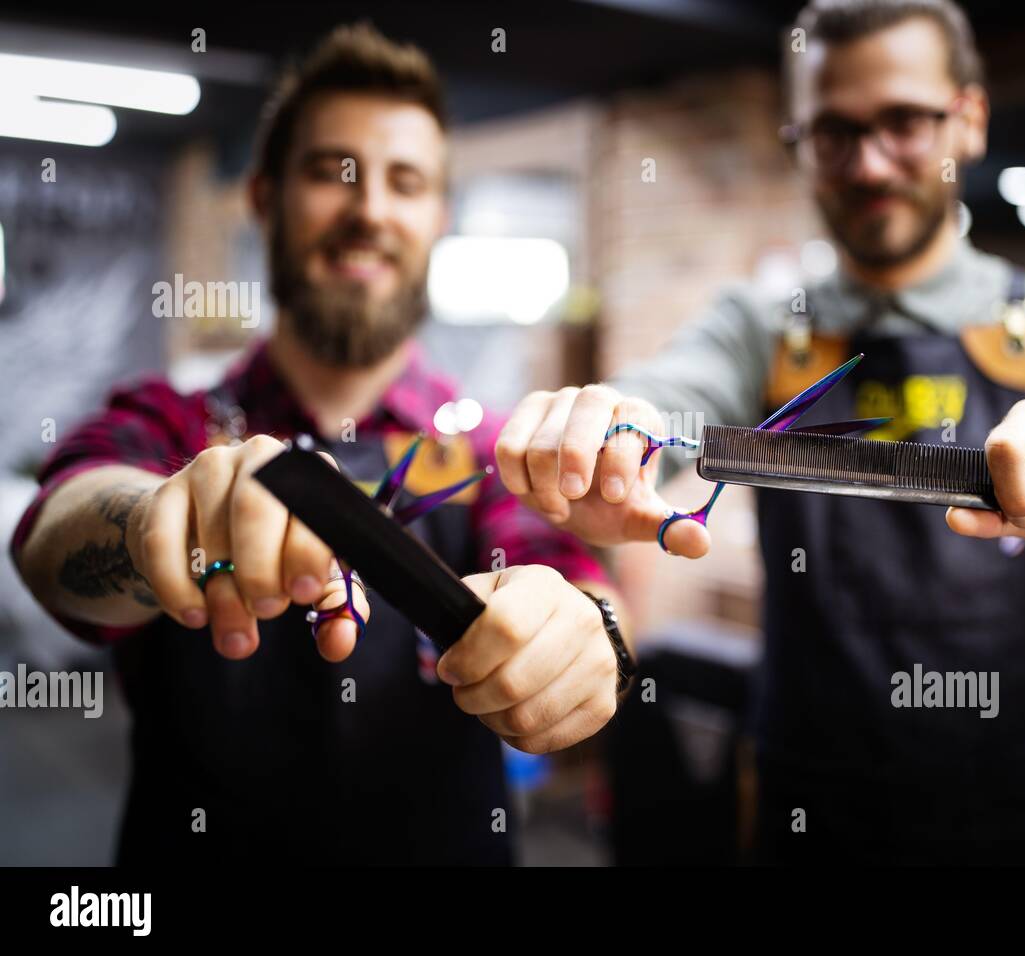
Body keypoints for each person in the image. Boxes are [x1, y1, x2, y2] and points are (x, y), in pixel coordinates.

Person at [495, 0, 1025, 864]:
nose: (869, 163)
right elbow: (668, 398)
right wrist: (613, 422)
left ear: (971, 117)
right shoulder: (767, 326)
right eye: (833, 132)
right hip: (814, 809)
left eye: (904, 123)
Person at [12, 24, 629, 865]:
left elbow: (581, 585)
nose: (368, 208)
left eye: (403, 182)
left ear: (437, 219)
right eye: (330, 172)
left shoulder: (487, 449)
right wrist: (159, 519)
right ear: (265, 198)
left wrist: (586, 639)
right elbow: (54, 541)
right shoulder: (166, 420)